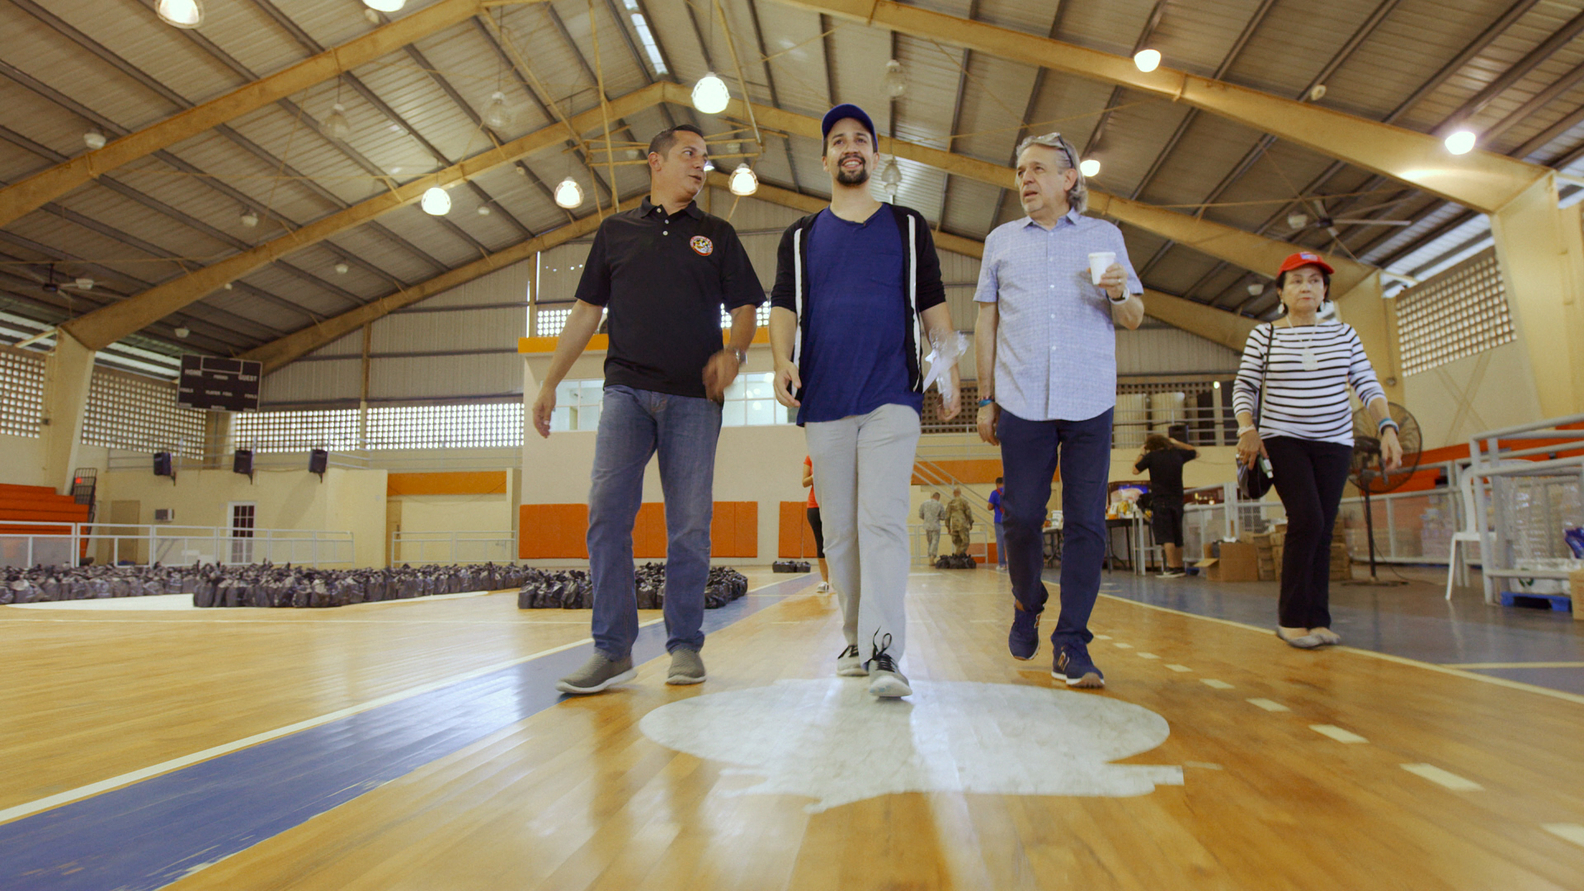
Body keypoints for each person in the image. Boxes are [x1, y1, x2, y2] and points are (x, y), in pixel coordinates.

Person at [537, 124, 764, 695]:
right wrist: (549, 385)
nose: (700, 164)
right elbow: (587, 314)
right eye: (690, 153)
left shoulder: (717, 234)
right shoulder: (616, 232)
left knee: (688, 528)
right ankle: (612, 650)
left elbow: (745, 308)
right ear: (654, 161)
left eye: (706, 157)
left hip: (694, 400)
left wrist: (733, 353)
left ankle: (684, 646)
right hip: (625, 394)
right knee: (606, 516)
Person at [770, 103, 961, 699]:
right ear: (825, 158)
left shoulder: (907, 226)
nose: (850, 147)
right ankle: (854, 636)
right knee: (841, 533)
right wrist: (780, 360)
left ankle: (885, 652)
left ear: (876, 157)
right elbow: (783, 306)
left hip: (891, 394)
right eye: (838, 140)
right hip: (824, 399)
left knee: (882, 521)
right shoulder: (799, 236)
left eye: (861, 139)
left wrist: (948, 369)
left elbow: (931, 303)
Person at [974, 132, 1144, 690]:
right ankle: (1028, 600)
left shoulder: (1104, 237)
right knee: (1021, 516)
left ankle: (1071, 643)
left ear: (1069, 179)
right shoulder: (1000, 241)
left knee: (1086, 524)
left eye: (1038, 169)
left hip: (1089, 396)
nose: (1025, 179)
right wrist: (985, 396)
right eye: (1021, 170)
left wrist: (1120, 294)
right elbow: (986, 323)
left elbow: (1135, 316)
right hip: (1022, 397)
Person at [1234, 251, 1401, 649]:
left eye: (1314, 280)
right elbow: (1245, 387)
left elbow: (1367, 383)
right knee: (1306, 519)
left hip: (1335, 441)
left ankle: (1318, 618)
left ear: (1324, 291)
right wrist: (1247, 429)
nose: (1306, 286)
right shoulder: (1265, 335)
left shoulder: (1344, 335)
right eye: (1296, 280)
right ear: (1281, 291)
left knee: (1324, 529)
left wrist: (1387, 426)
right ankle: (1291, 619)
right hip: (1284, 439)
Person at [1132, 434, 1197, 578]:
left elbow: (1135, 470)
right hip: (1177, 499)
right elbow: (1195, 452)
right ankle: (1179, 567)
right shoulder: (1177, 454)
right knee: (1177, 535)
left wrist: (1142, 452)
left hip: (1160, 500)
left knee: (1166, 535)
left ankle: (1171, 567)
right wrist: (1177, 443)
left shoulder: (1152, 457)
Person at [802, 455, 831, 592]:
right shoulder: (810, 458)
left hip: (831, 505)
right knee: (821, 544)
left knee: (835, 542)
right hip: (814, 506)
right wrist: (815, 476)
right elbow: (804, 482)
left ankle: (841, 579)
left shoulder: (833, 455)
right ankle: (825, 581)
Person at [945, 487, 974, 556]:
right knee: (965, 541)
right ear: (960, 493)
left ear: (954, 493)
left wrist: (948, 527)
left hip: (954, 525)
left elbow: (947, 516)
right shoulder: (964, 502)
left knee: (957, 542)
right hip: (962, 524)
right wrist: (971, 523)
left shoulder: (950, 503)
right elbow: (968, 513)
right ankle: (958, 555)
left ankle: (958, 557)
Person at [918, 490, 945, 559]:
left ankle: (929, 555)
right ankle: (932, 556)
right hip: (936, 526)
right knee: (935, 541)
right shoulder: (939, 504)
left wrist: (926, 519)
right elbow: (943, 517)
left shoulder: (924, 503)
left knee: (929, 542)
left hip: (927, 525)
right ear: (938, 497)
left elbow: (920, 515)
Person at [988, 477, 1007, 570]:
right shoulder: (1010, 491)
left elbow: (989, 506)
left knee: (1000, 542)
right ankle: (1012, 564)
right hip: (1010, 520)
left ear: (997, 484)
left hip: (999, 520)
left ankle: (1002, 564)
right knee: (1010, 542)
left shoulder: (995, 493)